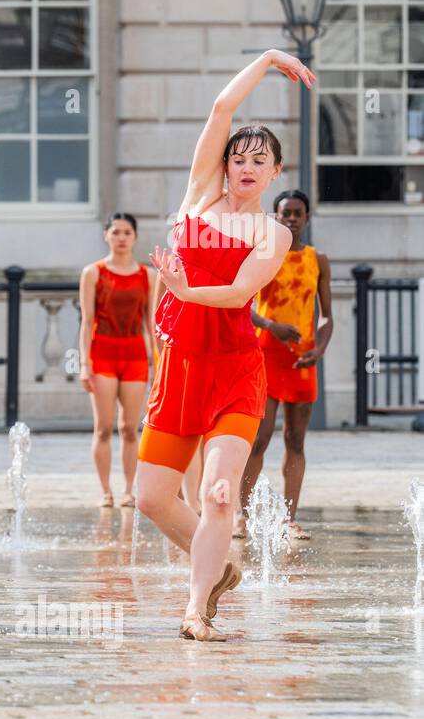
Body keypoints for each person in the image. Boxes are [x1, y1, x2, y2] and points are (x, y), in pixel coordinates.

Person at [134, 48, 316, 643]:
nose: (245, 164)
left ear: (274, 173)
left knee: (216, 495)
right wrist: (266, 60)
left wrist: (186, 287)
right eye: (238, 155)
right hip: (179, 368)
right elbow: (220, 107)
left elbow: (240, 293)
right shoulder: (197, 199)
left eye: (259, 159)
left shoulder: (274, 231)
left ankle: (196, 610)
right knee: (151, 497)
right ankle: (219, 567)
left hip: (236, 374)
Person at [236, 189, 332, 541]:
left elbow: (327, 316)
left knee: (295, 440)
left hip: (303, 359)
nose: (291, 218)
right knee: (259, 439)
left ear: (307, 217)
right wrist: (269, 326)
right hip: (264, 355)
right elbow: (240, 304)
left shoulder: (317, 259)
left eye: (297, 212)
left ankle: (288, 518)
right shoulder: (262, 255)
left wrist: (319, 348)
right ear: (275, 217)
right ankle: (242, 516)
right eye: (285, 213)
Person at [77, 213, 156, 508]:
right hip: (103, 352)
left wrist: (158, 362)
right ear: (106, 235)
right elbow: (86, 321)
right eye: (116, 232)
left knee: (129, 428)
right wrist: (84, 363)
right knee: (103, 426)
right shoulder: (93, 273)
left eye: (127, 232)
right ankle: (105, 490)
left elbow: (152, 323)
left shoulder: (148, 275)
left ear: (135, 237)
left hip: (134, 353)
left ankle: (128, 490)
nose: (121, 237)